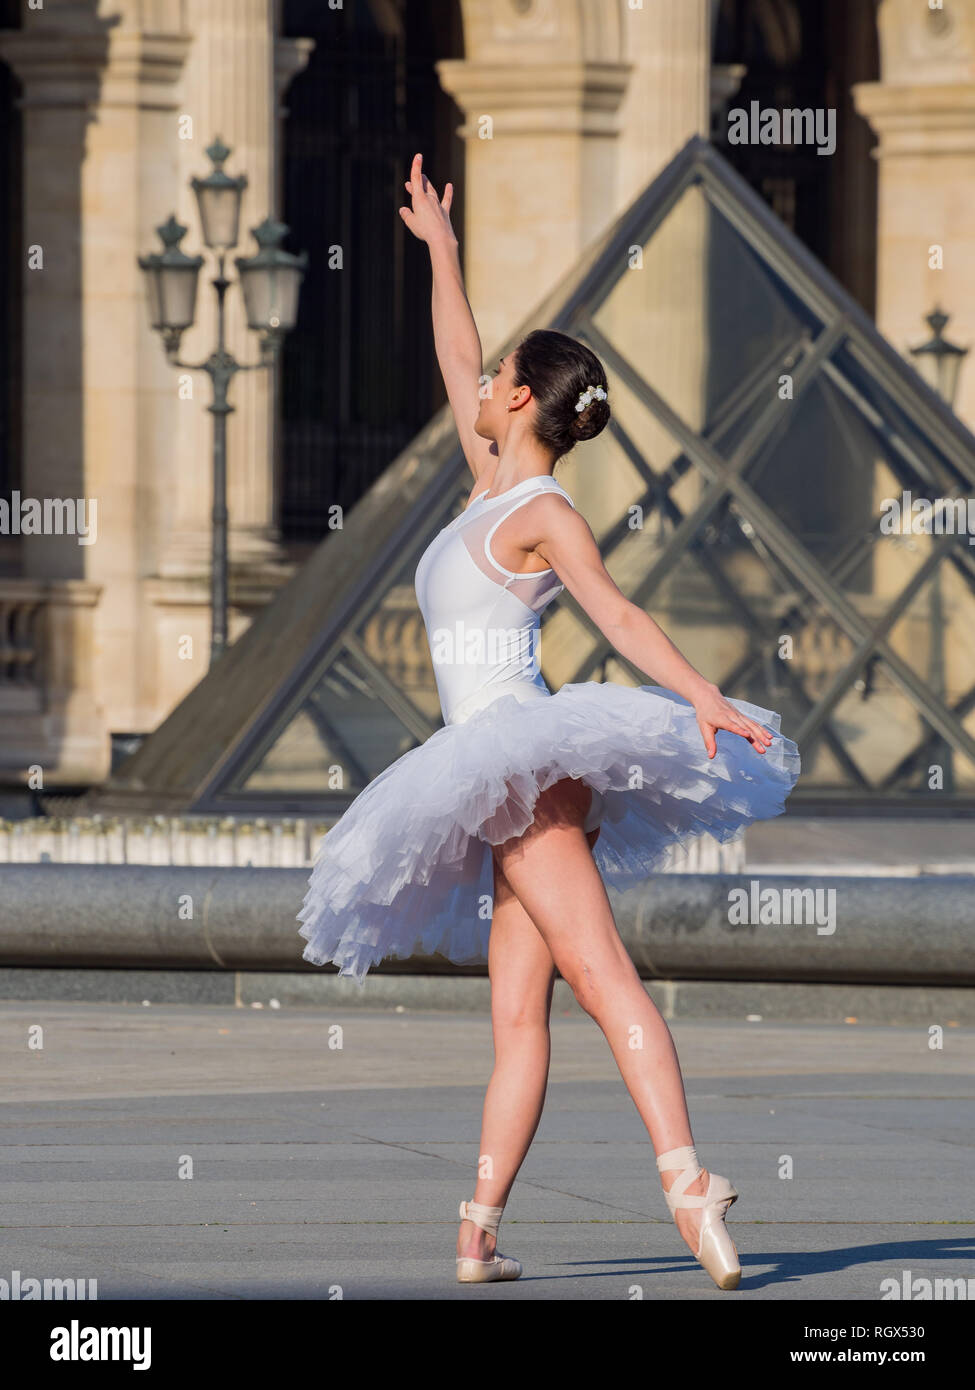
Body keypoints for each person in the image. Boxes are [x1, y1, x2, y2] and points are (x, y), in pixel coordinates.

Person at [298, 153, 801, 1291]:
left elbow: (616, 611)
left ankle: (689, 1182)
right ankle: (477, 1235)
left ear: (523, 399)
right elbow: (457, 352)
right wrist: (442, 251)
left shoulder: (542, 510)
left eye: (498, 380)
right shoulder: (489, 482)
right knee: (519, 1018)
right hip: (488, 769)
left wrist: (702, 699)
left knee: (604, 976)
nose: (478, 384)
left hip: (524, 763)